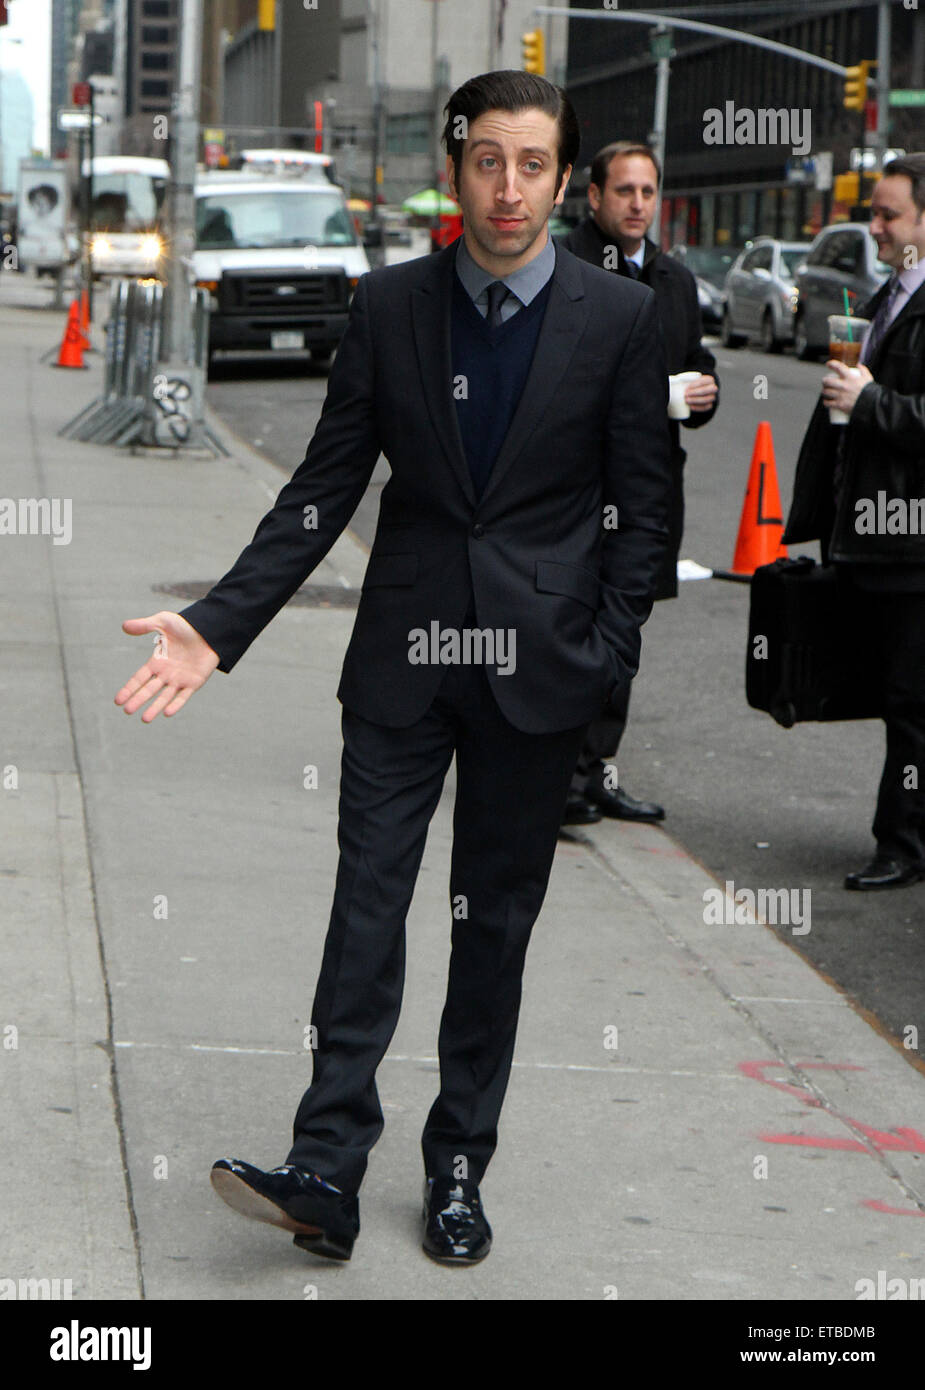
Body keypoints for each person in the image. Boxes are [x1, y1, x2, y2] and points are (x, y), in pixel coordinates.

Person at [114, 70, 673, 1264]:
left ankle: (459, 1166)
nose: (507, 186)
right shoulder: (388, 307)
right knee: (366, 901)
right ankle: (325, 1166)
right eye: (486, 160)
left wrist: (600, 662)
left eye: (533, 165)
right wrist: (218, 623)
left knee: (491, 928)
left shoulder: (620, 325)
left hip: (540, 673)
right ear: (457, 168)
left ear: (563, 182)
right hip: (404, 663)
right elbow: (322, 493)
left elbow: (646, 519)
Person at [557, 141, 719, 828]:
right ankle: (554, 780)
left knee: (624, 633)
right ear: (593, 197)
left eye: (647, 192)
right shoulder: (561, 264)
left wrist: (704, 390)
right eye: (622, 191)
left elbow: (692, 358)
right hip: (576, 486)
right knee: (568, 628)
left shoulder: (672, 278)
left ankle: (595, 774)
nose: (636, 204)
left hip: (650, 487)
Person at [782, 153, 925, 892]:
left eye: (887, 215)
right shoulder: (885, 297)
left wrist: (868, 402)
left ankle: (901, 845)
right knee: (885, 692)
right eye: (873, 212)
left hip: (913, 544)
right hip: (870, 535)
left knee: (909, 702)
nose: (872, 226)